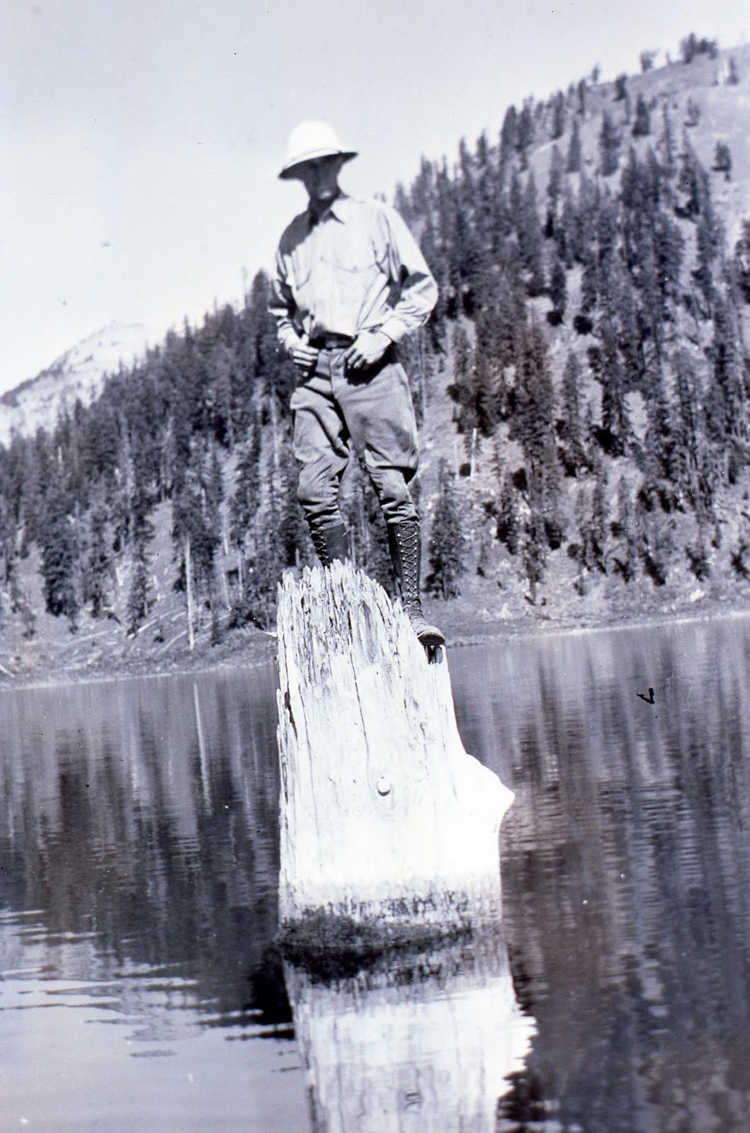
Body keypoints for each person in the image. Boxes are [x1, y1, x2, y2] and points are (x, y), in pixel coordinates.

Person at [269, 120, 445, 647]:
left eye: (325, 163)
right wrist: (288, 341)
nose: (317, 174)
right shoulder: (290, 240)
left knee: (392, 487)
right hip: (315, 374)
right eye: (307, 167)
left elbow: (422, 288)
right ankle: (348, 617)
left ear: (340, 165)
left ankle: (411, 613)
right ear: (298, 175)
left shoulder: (376, 220)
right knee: (314, 491)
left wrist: (384, 333)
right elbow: (280, 311)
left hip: (370, 363)